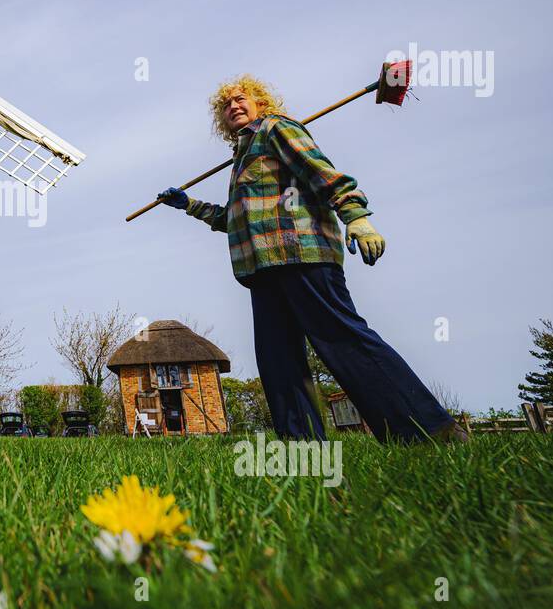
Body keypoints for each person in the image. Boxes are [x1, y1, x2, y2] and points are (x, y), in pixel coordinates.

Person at [158, 74, 466, 444]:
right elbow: (234, 219)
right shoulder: (243, 157)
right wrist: (189, 205)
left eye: (241, 99)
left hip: (300, 253)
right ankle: (302, 447)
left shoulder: (276, 128)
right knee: (278, 362)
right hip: (261, 267)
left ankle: (427, 430)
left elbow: (323, 173)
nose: (233, 108)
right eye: (225, 106)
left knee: (342, 340)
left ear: (260, 102)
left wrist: (358, 219)